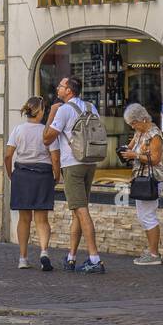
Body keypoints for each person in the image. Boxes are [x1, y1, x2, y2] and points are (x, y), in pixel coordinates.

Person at [43, 76, 105, 272]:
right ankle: (71, 256)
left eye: (60, 86)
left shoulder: (63, 110)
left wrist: (51, 115)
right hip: (90, 161)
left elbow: (46, 138)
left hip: (72, 164)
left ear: (68, 90)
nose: (58, 89)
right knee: (78, 210)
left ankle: (95, 259)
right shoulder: (90, 107)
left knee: (80, 209)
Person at [5, 96, 60, 270]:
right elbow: (55, 157)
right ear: (41, 111)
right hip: (43, 174)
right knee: (42, 219)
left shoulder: (18, 130)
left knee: (24, 218)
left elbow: (8, 155)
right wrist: (56, 175)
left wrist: (10, 174)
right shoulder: (46, 131)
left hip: (22, 174)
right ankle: (44, 251)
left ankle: (23, 258)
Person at [119, 102, 163, 266]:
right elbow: (131, 147)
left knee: (148, 215)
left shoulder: (154, 135)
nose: (133, 127)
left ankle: (154, 254)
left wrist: (135, 156)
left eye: (134, 123)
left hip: (152, 179)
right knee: (143, 215)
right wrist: (126, 151)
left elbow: (155, 159)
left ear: (143, 119)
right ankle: (152, 251)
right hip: (140, 178)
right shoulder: (140, 132)